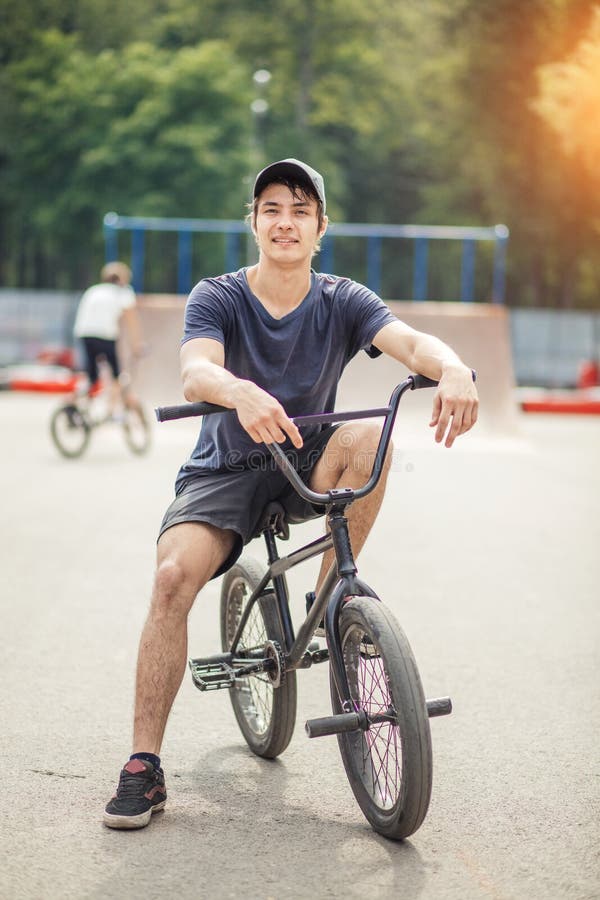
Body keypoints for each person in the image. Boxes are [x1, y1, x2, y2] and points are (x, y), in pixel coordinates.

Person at [103, 158, 478, 829]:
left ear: (320, 228)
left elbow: (410, 341)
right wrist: (237, 390)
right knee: (169, 579)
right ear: (254, 223)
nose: (285, 221)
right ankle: (143, 766)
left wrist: (452, 367)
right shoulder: (218, 295)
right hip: (226, 470)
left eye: (299, 210)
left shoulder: (342, 299)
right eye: (272, 208)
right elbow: (196, 370)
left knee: (370, 436)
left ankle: (335, 599)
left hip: (304, 456)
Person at [71, 261, 144, 415]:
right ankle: (111, 410)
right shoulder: (123, 292)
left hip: (84, 334)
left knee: (91, 376)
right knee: (117, 375)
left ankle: (75, 403)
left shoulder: (93, 290)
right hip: (105, 335)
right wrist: (136, 344)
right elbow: (132, 321)